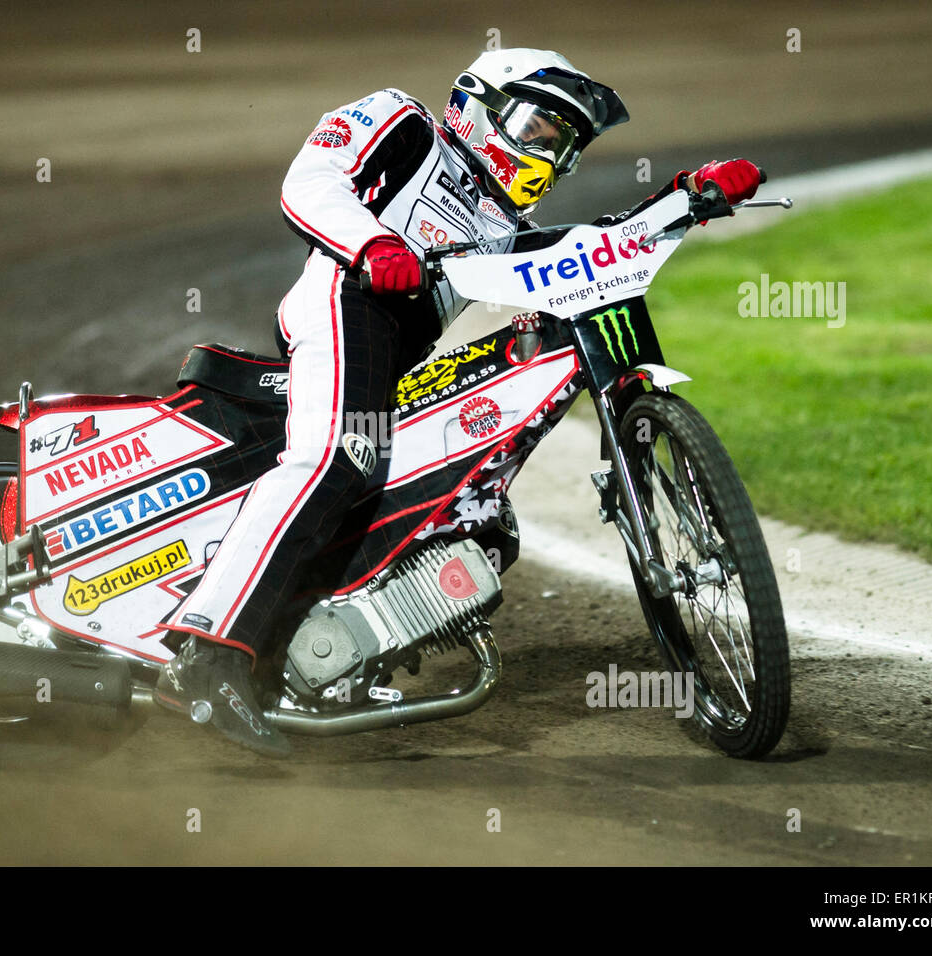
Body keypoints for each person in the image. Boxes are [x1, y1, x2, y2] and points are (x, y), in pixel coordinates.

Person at [154, 48, 762, 756]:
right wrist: (373, 241)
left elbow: (594, 245)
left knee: (474, 517)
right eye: (538, 129)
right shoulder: (400, 120)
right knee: (334, 460)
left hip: (392, 349)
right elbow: (309, 180)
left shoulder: (501, 227)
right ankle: (204, 659)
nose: (547, 155)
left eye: (562, 145)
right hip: (346, 298)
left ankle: (299, 651)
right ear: (478, 107)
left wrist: (690, 196)